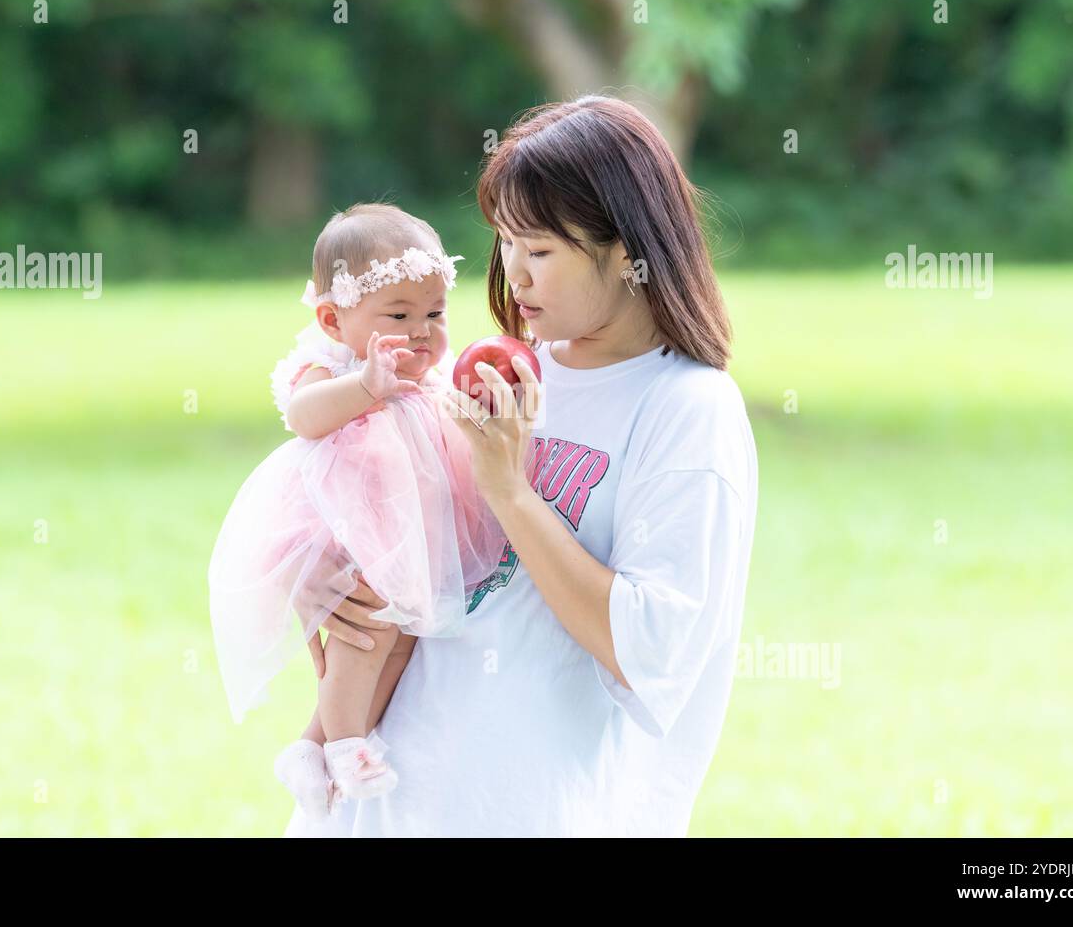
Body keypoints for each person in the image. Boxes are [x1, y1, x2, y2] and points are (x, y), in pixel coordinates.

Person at [285, 95, 759, 837]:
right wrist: (327, 572)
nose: (515, 275)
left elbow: (651, 651)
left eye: (540, 251)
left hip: (532, 805)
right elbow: (392, 509)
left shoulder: (689, 409)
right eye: (505, 244)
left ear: (630, 251)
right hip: (388, 794)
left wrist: (510, 489)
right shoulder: (500, 370)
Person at [208, 203, 507, 819]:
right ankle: (346, 743)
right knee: (365, 630)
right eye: (399, 316)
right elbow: (304, 417)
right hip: (348, 531)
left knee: (399, 640)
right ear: (333, 319)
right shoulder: (333, 367)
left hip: (404, 535)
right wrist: (367, 385)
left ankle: (315, 747)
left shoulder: (425, 372)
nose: (423, 332)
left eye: (435, 314)